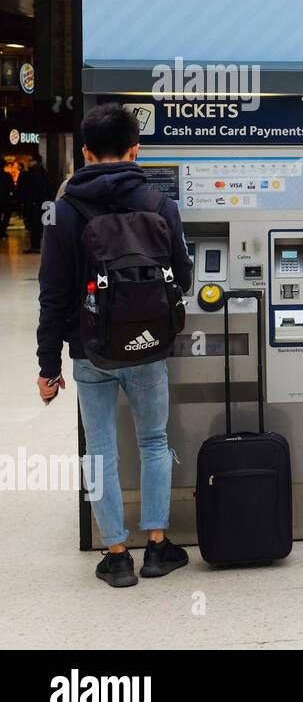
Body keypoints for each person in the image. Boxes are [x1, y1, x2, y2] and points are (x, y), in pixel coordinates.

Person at [36, 104, 193, 587]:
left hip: (90, 350)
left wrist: (48, 366)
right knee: (153, 441)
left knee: (100, 449)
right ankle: (158, 547)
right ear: (135, 149)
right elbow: (182, 278)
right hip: (149, 347)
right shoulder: (160, 205)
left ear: (84, 153)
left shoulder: (63, 211)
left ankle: (117, 554)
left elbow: (53, 295)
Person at [18, 153, 51, 254]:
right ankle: (37, 245)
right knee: (39, 226)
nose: (29, 163)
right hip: (41, 204)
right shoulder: (42, 172)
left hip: (35, 204)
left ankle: (35, 246)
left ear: (35, 161)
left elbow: (32, 190)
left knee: (35, 225)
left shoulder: (34, 173)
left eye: (30, 160)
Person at [0, 164, 14, 239]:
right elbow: (12, 188)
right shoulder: (7, 176)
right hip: (6, 200)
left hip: (5, 200)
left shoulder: (7, 176)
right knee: (6, 217)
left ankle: (1, 231)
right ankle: (2, 231)